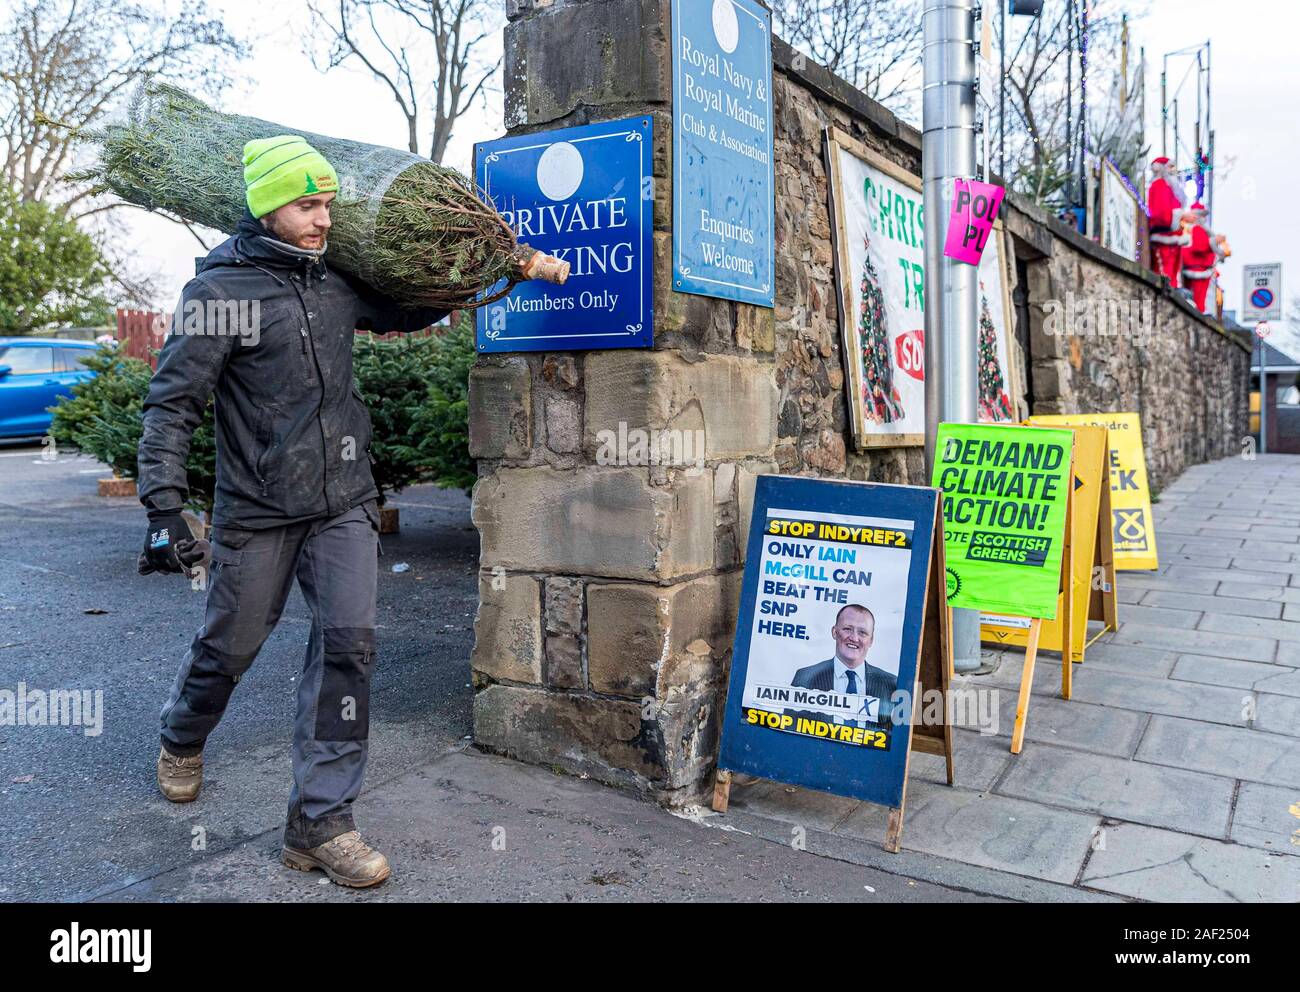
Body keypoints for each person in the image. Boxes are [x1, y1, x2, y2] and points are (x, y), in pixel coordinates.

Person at [137, 135, 448, 888]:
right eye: (307, 205)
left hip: (343, 503)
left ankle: (320, 824)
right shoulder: (219, 295)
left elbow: (408, 308)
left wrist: (473, 265)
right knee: (228, 650)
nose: (322, 221)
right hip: (258, 510)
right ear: (266, 206)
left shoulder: (335, 281)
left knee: (348, 651)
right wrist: (165, 506)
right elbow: (173, 404)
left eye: (329, 205)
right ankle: (182, 736)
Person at [788, 604, 898, 734]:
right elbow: (791, 732)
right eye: (847, 629)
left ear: (871, 640)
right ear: (834, 632)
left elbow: (896, 740)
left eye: (862, 632)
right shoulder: (804, 678)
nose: (854, 638)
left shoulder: (892, 684)